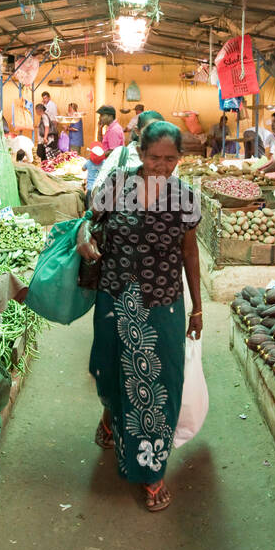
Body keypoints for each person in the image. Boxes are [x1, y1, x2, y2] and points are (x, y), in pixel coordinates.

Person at [77, 120, 202, 512]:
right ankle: (111, 417)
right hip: (115, 297)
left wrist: (198, 307)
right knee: (113, 370)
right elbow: (88, 224)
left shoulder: (185, 198)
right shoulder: (116, 185)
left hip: (162, 302)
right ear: (140, 154)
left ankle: (152, 472)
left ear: (179, 158)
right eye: (153, 158)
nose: (161, 166)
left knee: (158, 385)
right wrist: (85, 239)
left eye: (170, 159)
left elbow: (190, 254)